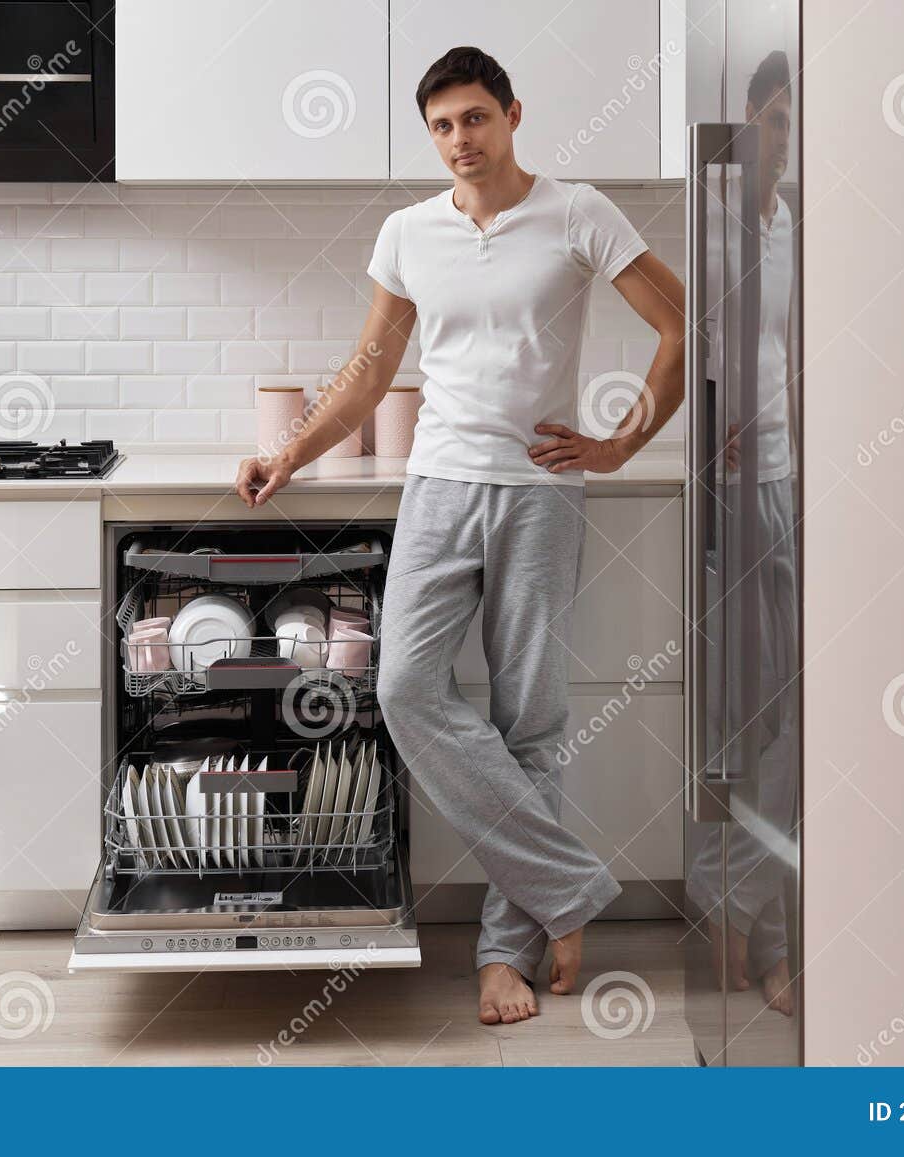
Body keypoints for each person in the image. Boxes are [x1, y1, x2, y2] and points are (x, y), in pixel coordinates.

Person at [235, 46, 686, 1026]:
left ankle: (503, 952)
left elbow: (680, 321)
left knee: (532, 719)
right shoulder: (408, 233)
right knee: (403, 685)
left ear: (513, 115)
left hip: (538, 491)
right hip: (439, 484)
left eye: (475, 118)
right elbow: (366, 367)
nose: (459, 140)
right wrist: (291, 452)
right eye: (441, 125)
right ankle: (568, 889)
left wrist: (617, 446)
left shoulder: (578, 214)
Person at [684, 48, 799, 1017]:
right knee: (736, 722)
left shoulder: (793, 220)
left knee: (794, 723)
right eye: (771, 122)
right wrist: (704, 415)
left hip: (791, 483)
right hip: (725, 489)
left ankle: (755, 918)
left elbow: (788, 349)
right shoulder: (712, 221)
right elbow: (690, 345)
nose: (783, 141)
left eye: (793, 126)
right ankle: (742, 929)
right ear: (746, 121)